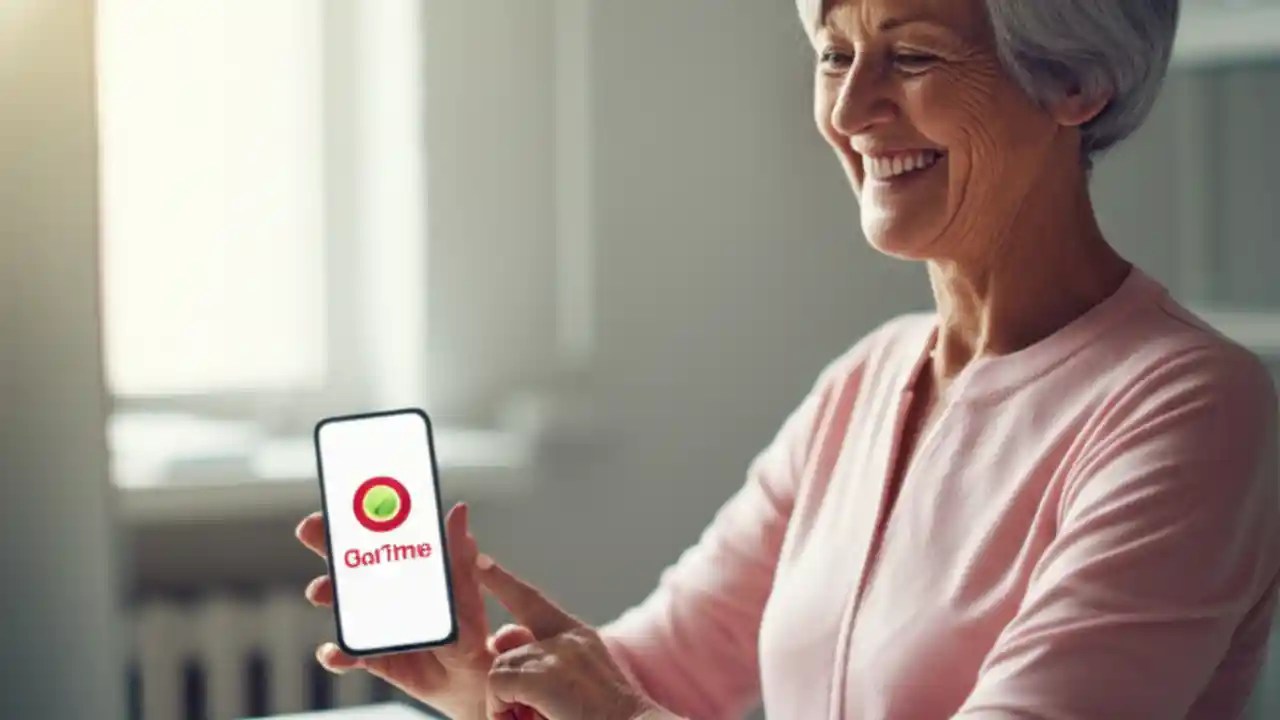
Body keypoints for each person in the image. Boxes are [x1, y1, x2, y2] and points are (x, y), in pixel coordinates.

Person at [294, 0, 1280, 717]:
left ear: (1073, 82)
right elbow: (667, 668)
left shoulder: (1189, 408)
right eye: (832, 54)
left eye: (913, 56)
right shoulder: (867, 380)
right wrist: (483, 681)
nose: (850, 110)